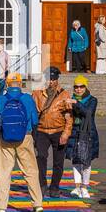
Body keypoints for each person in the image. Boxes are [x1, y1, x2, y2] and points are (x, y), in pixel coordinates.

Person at [0, 71, 44, 212]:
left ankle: (1, 207)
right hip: (25, 137)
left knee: (4, 172)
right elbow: (35, 121)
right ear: (20, 84)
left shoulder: (1, 99)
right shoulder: (27, 99)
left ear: (7, 84)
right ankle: (37, 204)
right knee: (30, 171)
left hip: (5, 138)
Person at [32, 67, 73, 198]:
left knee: (58, 162)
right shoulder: (37, 93)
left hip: (58, 131)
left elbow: (69, 116)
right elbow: (34, 113)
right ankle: (42, 186)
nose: (51, 82)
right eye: (49, 79)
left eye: (54, 79)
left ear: (57, 80)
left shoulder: (64, 94)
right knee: (41, 158)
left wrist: (66, 133)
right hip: (41, 131)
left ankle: (54, 187)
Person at [66, 75, 99, 199]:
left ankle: (84, 187)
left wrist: (76, 103)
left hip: (87, 132)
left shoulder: (92, 100)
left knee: (86, 161)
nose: (78, 89)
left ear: (86, 87)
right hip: (74, 131)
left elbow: (88, 113)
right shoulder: (71, 100)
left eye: (81, 86)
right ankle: (77, 186)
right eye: (76, 87)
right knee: (76, 160)